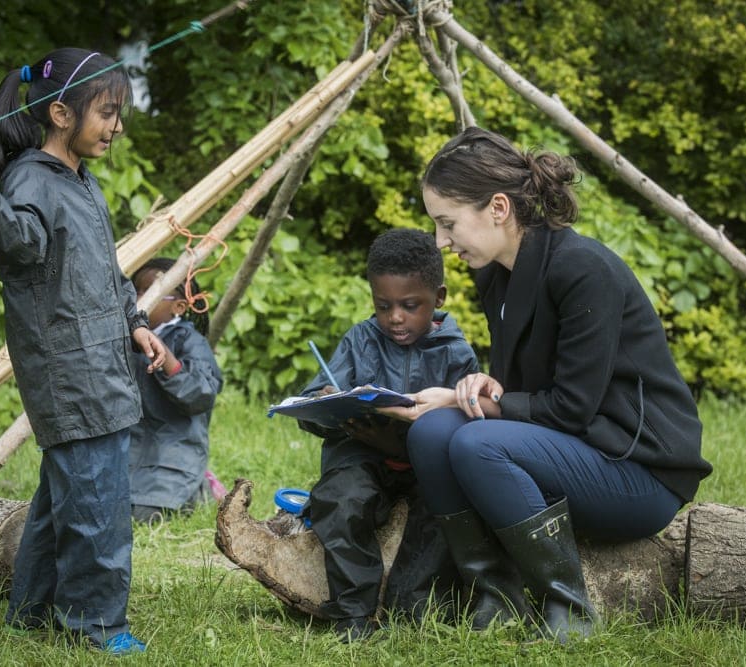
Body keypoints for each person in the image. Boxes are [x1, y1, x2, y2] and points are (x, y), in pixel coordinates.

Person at [381, 127, 712, 643]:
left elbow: (570, 409)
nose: (442, 243)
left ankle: (569, 609)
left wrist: (474, 403)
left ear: (497, 207)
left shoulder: (583, 269)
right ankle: (494, 597)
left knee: (474, 440)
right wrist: (480, 387)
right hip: (571, 450)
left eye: (447, 224)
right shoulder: (498, 275)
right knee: (432, 432)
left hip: (638, 470)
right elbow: (525, 388)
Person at [0, 47, 166, 655]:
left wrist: (135, 321)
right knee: (98, 507)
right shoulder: (32, 177)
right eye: (107, 113)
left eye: (120, 114)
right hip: (69, 368)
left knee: (66, 496)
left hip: (99, 361)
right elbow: (15, 242)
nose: (116, 127)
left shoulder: (80, 182)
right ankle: (96, 623)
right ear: (61, 112)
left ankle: (30, 613)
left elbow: (106, 272)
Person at [299, 228, 481, 642]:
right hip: (360, 457)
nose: (395, 317)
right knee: (338, 500)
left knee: (444, 512)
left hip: (426, 464)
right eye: (383, 306)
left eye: (409, 305)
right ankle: (352, 613)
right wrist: (326, 402)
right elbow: (312, 408)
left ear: (439, 298)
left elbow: (465, 423)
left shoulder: (457, 352)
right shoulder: (360, 340)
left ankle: (417, 607)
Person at [128, 258, 224, 525]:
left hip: (172, 452)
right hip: (130, 449)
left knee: (146, 516)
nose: (139, 300)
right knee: (109, 509)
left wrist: (165, 358)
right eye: (135, 292)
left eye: (150, 294)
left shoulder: (188, 341)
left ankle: (201, 489)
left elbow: (201, 395)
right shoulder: (125, 339)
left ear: (178, 307)